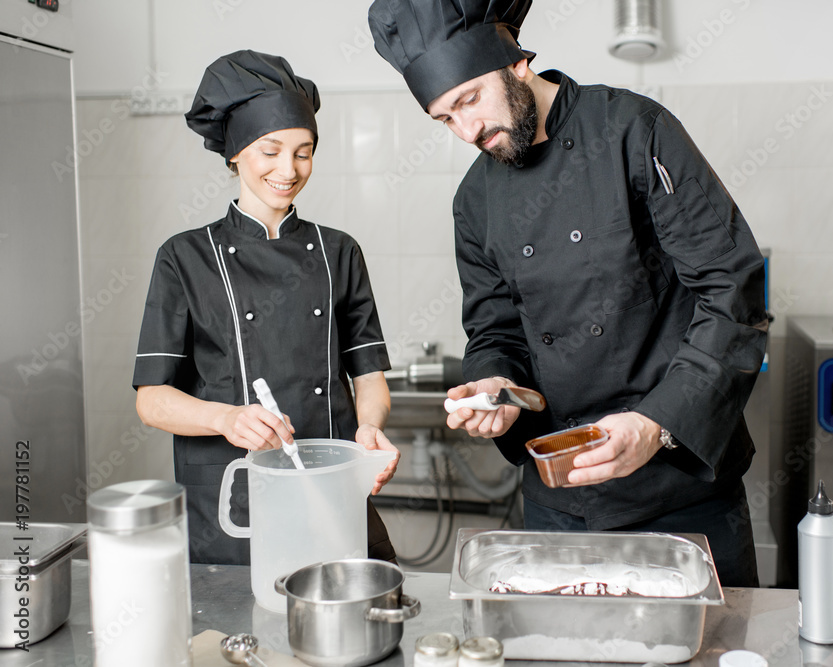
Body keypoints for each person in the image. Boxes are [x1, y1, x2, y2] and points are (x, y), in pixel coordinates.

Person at [368, 1, 768, 586]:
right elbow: (495, 330)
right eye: (445, 119)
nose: (468, 131)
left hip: (682, 494)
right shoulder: (475, 200)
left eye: (470, 100)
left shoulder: (634, 130)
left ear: (517, 63)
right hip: (559, 501)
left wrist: (655, 424)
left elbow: (734, 290)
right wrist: (495, 385)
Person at [133, 50, 399, 565]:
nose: (288, 169)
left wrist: (369, 427)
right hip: (232, 506)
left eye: (303, 152)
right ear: (235, 155)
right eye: (270, 151)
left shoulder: (337, 251)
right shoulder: (185, 257)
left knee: (358, 620)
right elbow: (152, 399)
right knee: (235, 635)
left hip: (333, 489)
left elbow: (368, 376)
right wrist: (227, 419)